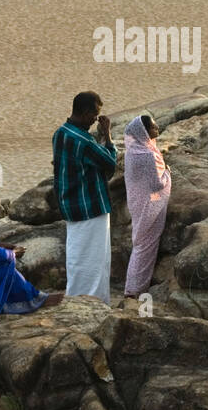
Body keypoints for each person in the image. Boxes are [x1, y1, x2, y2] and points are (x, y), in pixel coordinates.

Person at [53, 91, 116, 304]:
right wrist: (107, 135)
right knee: (96, 260)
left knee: (77, 258)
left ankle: (75, 298)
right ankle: (93, 302)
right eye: (94, 114)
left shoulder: (60, 133)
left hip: (71, 206)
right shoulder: (83, 140)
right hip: (91, 207)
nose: (95, 119)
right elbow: (109, 164)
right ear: (86, 112)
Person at [123, 114, 171, 298]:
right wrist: (167, 172)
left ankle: (131, 288)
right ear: (143, 132)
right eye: (153, 127)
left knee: (140, 244)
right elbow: (157, 184)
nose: (157, 129)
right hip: (149, 206)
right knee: (146, 247)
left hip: (137, 203)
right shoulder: (149, 155)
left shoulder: (132, 151)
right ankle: (135, 290)